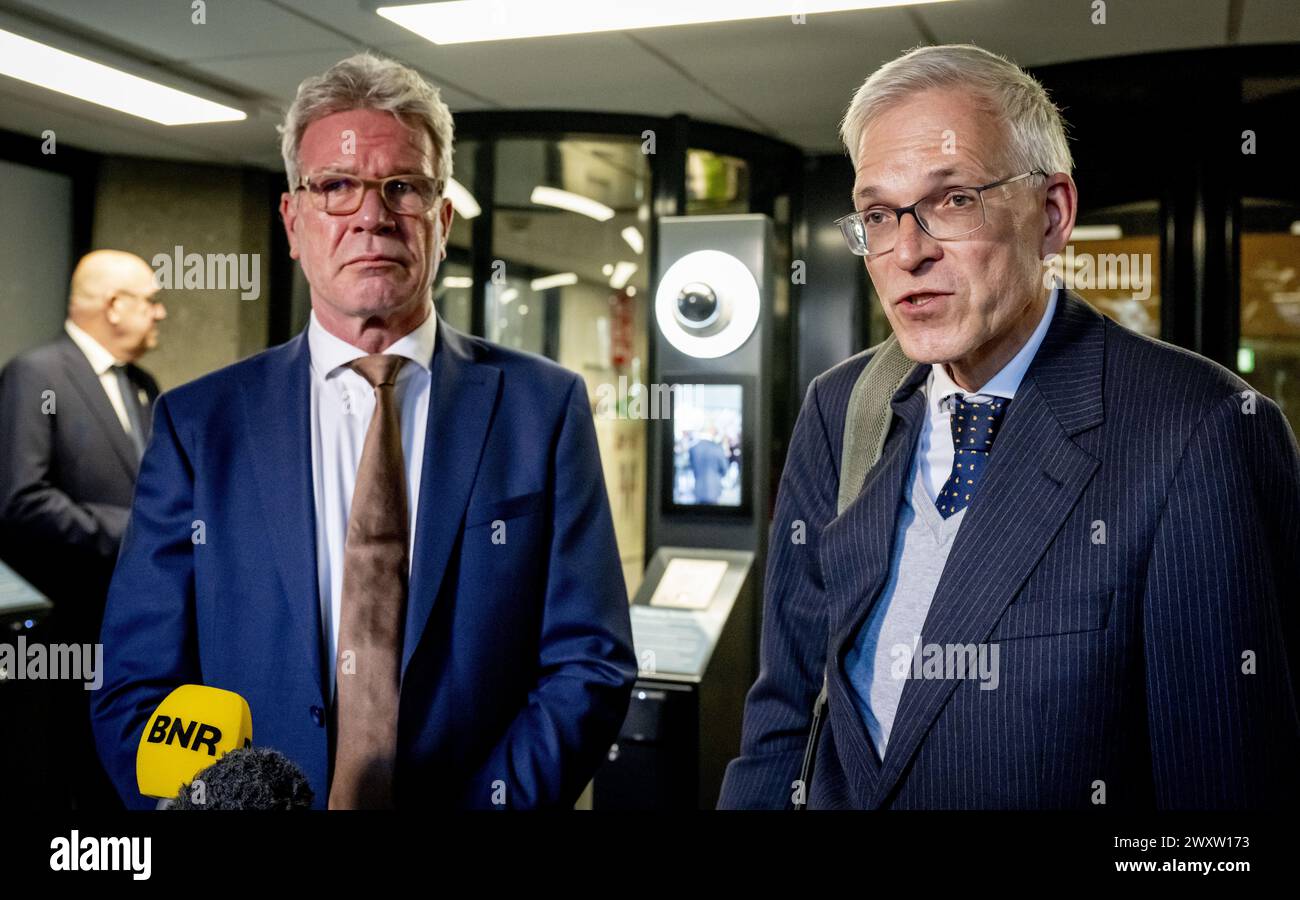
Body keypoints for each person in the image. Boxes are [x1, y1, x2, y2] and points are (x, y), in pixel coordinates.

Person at [719, 44, 1300, 809]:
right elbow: (785, 715)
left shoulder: (1200, 430)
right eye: (877, 215)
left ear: (1053, 215)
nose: (908, 252)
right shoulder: (844, 407)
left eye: (953, 200)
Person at [91, 53, 636, 810]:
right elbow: (137, 683)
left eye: (402, 187)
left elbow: (590, 664)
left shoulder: (542, 410)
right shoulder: (200, 424)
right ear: (293, 221)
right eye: (336, 186)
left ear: (441, 221)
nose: (371, 216)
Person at [0, 249, 165, 809]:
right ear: (114, 306)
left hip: (128, 629)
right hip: (60, 634)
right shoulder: (38, 374)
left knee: (111, 777)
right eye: (150, 300)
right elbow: (21, 502)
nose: (160, 313)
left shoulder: (144, 384)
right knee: (56, 778)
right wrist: (138, 533)